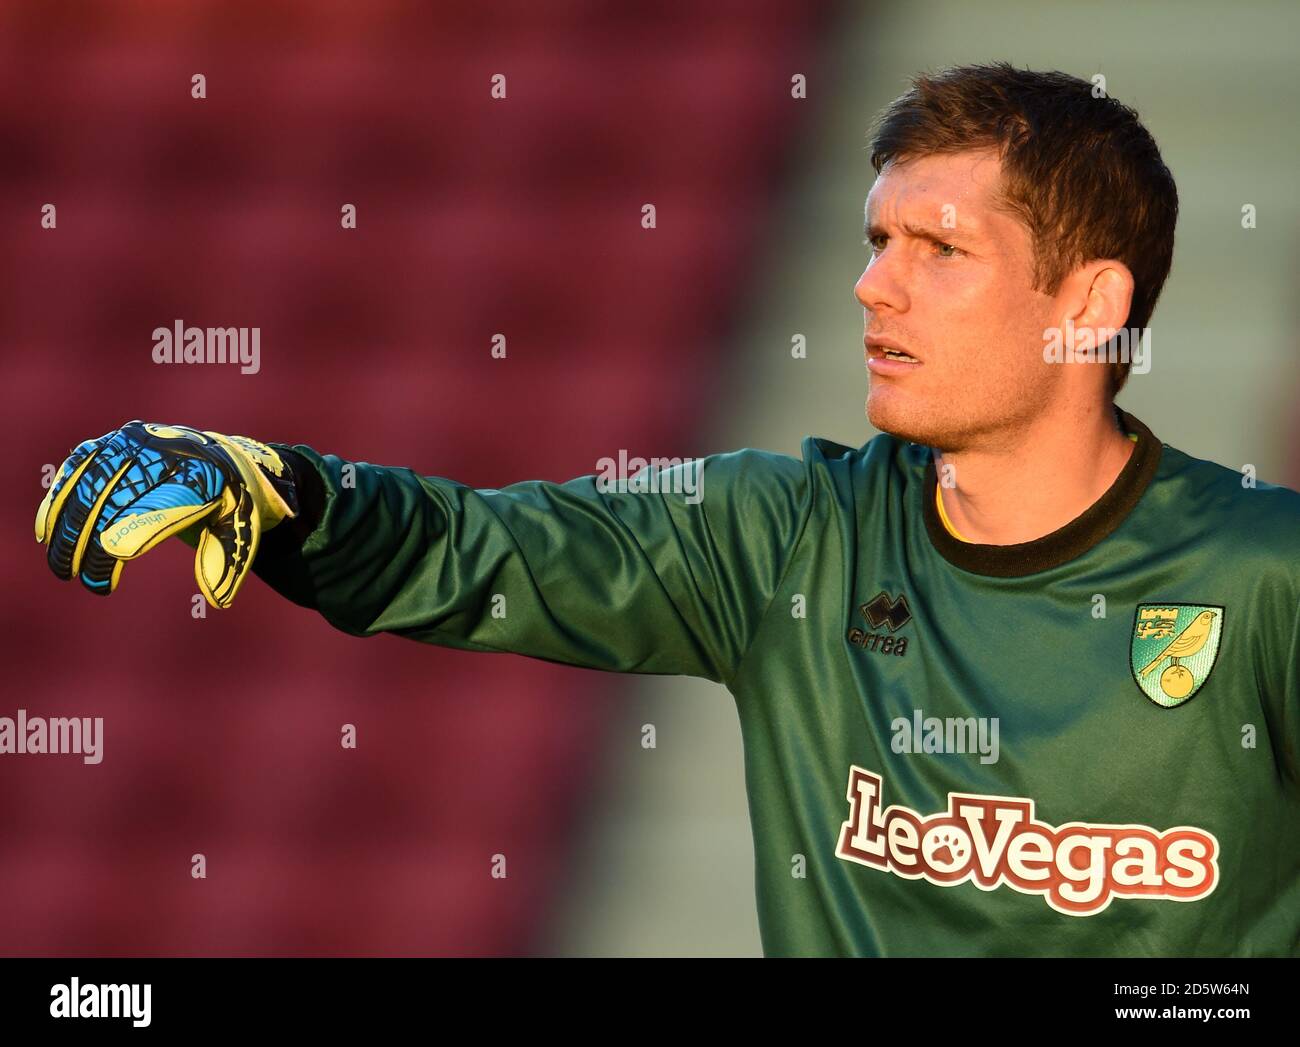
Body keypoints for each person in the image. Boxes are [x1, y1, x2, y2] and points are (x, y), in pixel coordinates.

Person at [35, 63, 1300, 957]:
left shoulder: (1262, 574)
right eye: (872, 241)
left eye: (938, 249)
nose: (871, 287)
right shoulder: (785, 538)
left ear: (1088, 305)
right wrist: (296, 495)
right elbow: (483, 552)